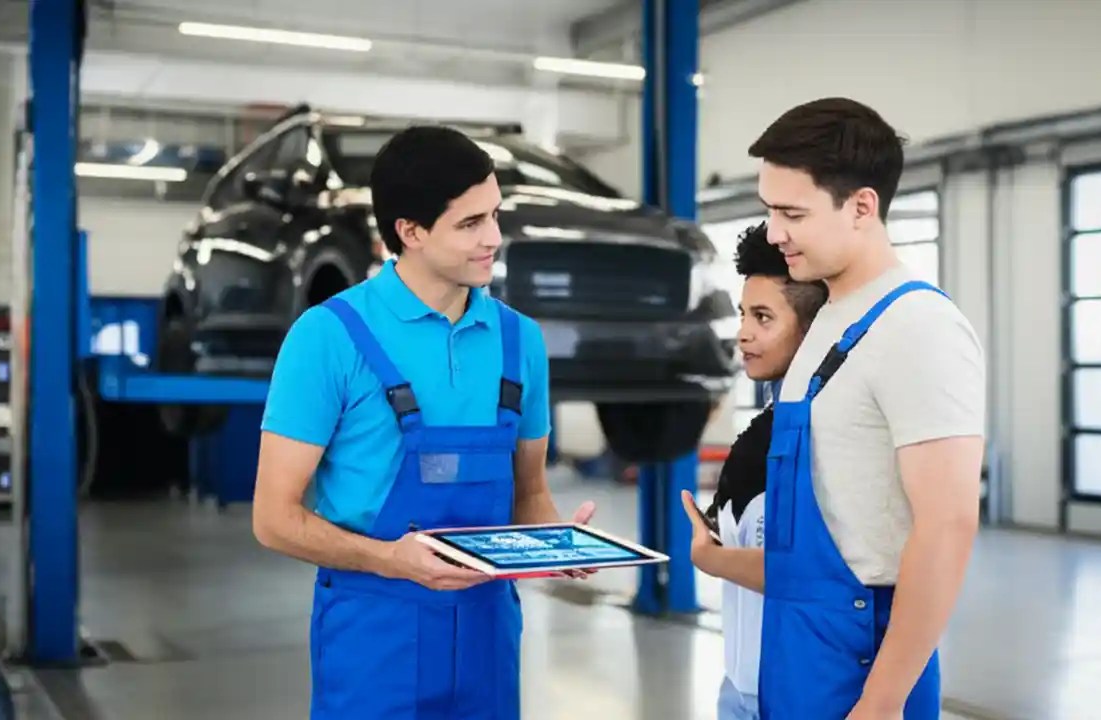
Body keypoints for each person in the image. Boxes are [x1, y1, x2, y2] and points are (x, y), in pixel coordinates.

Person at [251, 125, 595, 719]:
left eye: (494, 214)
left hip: (487, 637)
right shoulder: (328, 337)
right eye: (470, 224)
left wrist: (557, 543)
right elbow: (273, 519)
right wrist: (391, 559)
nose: (494, 238)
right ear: (408, 232)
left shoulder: (521, 343)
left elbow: (529, 492)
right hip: (372, 637)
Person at [749, 98, 986, 719]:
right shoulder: (828, 318)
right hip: (801, 644)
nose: (775, 232)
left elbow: (950, 523)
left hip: (861, 660)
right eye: (769, 210)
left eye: (792, 213)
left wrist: (883, 702)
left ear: (861, 207)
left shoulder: (919, 326)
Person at [680, 221, 828, 720]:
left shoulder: (827, 437)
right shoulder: (764, 431)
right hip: (742, 685)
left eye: (763, 317)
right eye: (744, 313)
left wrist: (710, 558)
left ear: (812, 329)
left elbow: (815, 571)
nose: (743, 332)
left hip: (799, 692)